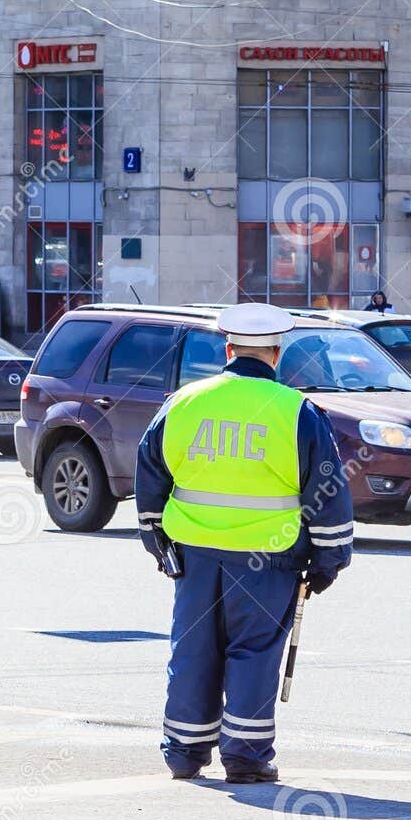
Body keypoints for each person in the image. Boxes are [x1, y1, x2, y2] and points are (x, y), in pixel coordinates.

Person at [134, 303, 353, 784]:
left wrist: (155, 539)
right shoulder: (296, 412)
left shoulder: (185, 402)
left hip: (193, 558)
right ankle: (246, 758)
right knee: (252, 654)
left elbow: (150, 472)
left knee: (193, 652)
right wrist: (329, 560)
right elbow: (327, 490)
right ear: (277, 355)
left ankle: (184, 753)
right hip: (267, 561)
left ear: (227, 349)